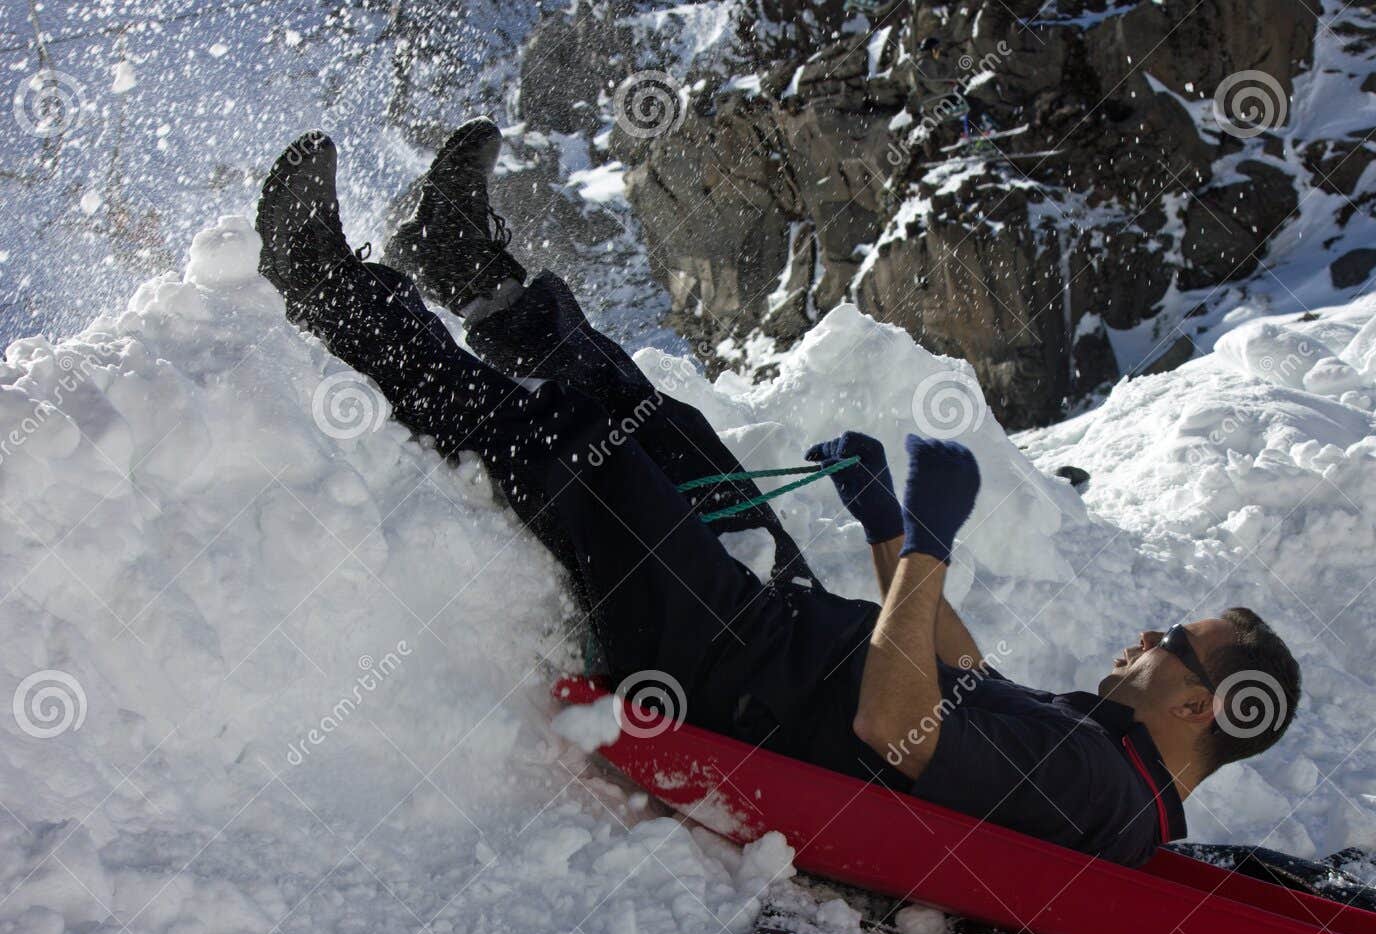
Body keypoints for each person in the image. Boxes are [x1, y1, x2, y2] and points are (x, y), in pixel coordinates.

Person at [254, 123, 1302, 868]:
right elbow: (961, 674)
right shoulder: (1101, 755)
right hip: (771, 635)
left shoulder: (1095, 784)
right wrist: (890, 527)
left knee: (590, 458)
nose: (1145, 631)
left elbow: (901, 723)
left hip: (728, 675)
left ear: (1198, 704)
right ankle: (471, 269)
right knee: (673, 432)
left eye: (1170, 635)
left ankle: (330, 289)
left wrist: (930, 545)